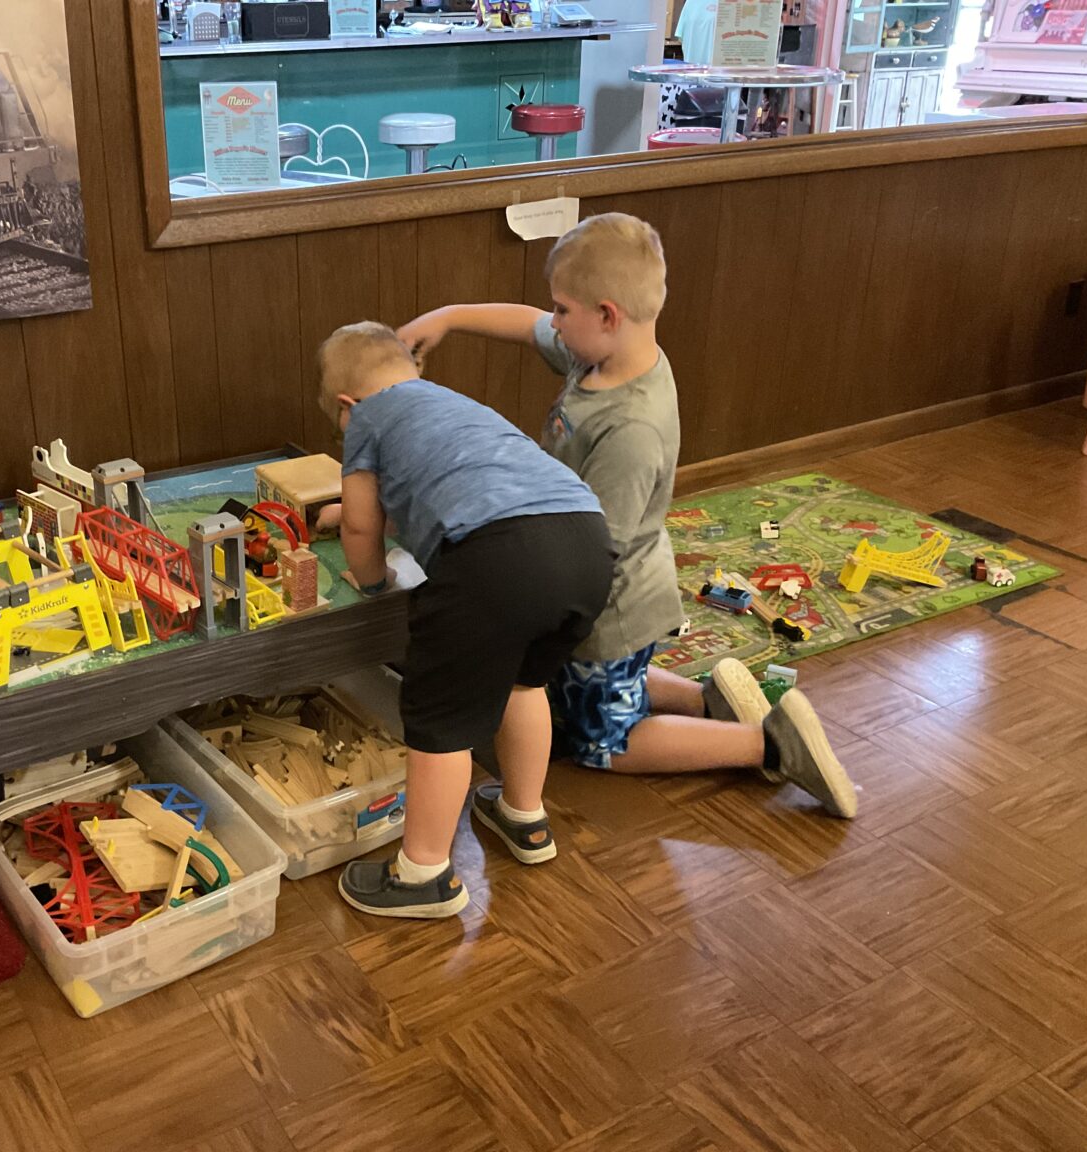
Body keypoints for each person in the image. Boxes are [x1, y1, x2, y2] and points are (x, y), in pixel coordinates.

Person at [398, 213, 856, 818]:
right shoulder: (605, 356)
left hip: (607, 602)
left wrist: (536, 603)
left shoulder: (630, 427)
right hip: (612, 592)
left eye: (562, 310)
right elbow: (526, 325)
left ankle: (766, 744)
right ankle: (706, 700)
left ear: (607, 314)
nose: (553, 322)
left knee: (603, 740)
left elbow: (597, 545)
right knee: (593, 687)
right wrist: (448, 317)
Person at [317, 321, 614, 918]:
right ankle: (524, 817)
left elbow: (360, 525)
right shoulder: (452, 403)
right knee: (523, 683)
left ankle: (423, 873)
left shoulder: (369, 418)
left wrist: (374, 583)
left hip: (496, 560)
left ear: (348, 405)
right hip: (585, 539)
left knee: (441, 719)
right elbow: (454, 490)